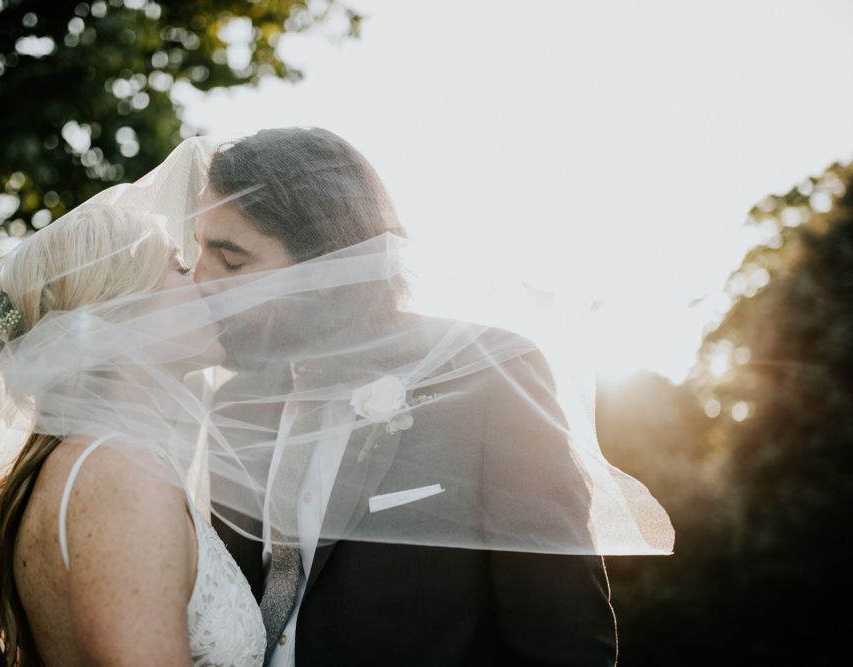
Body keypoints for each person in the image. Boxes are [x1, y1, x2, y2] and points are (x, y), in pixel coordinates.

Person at [193, 127, 674, 666]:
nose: (198, 280)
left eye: (231, 260)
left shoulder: (490, 380)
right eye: (199, 250)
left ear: (326, 269)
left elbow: (562, 634)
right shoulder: (235, 406)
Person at [0, 200, 266, 665]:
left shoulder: (93, 461)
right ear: (119, 308)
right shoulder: (118, 477)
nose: (203, 282)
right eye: (179, 267)